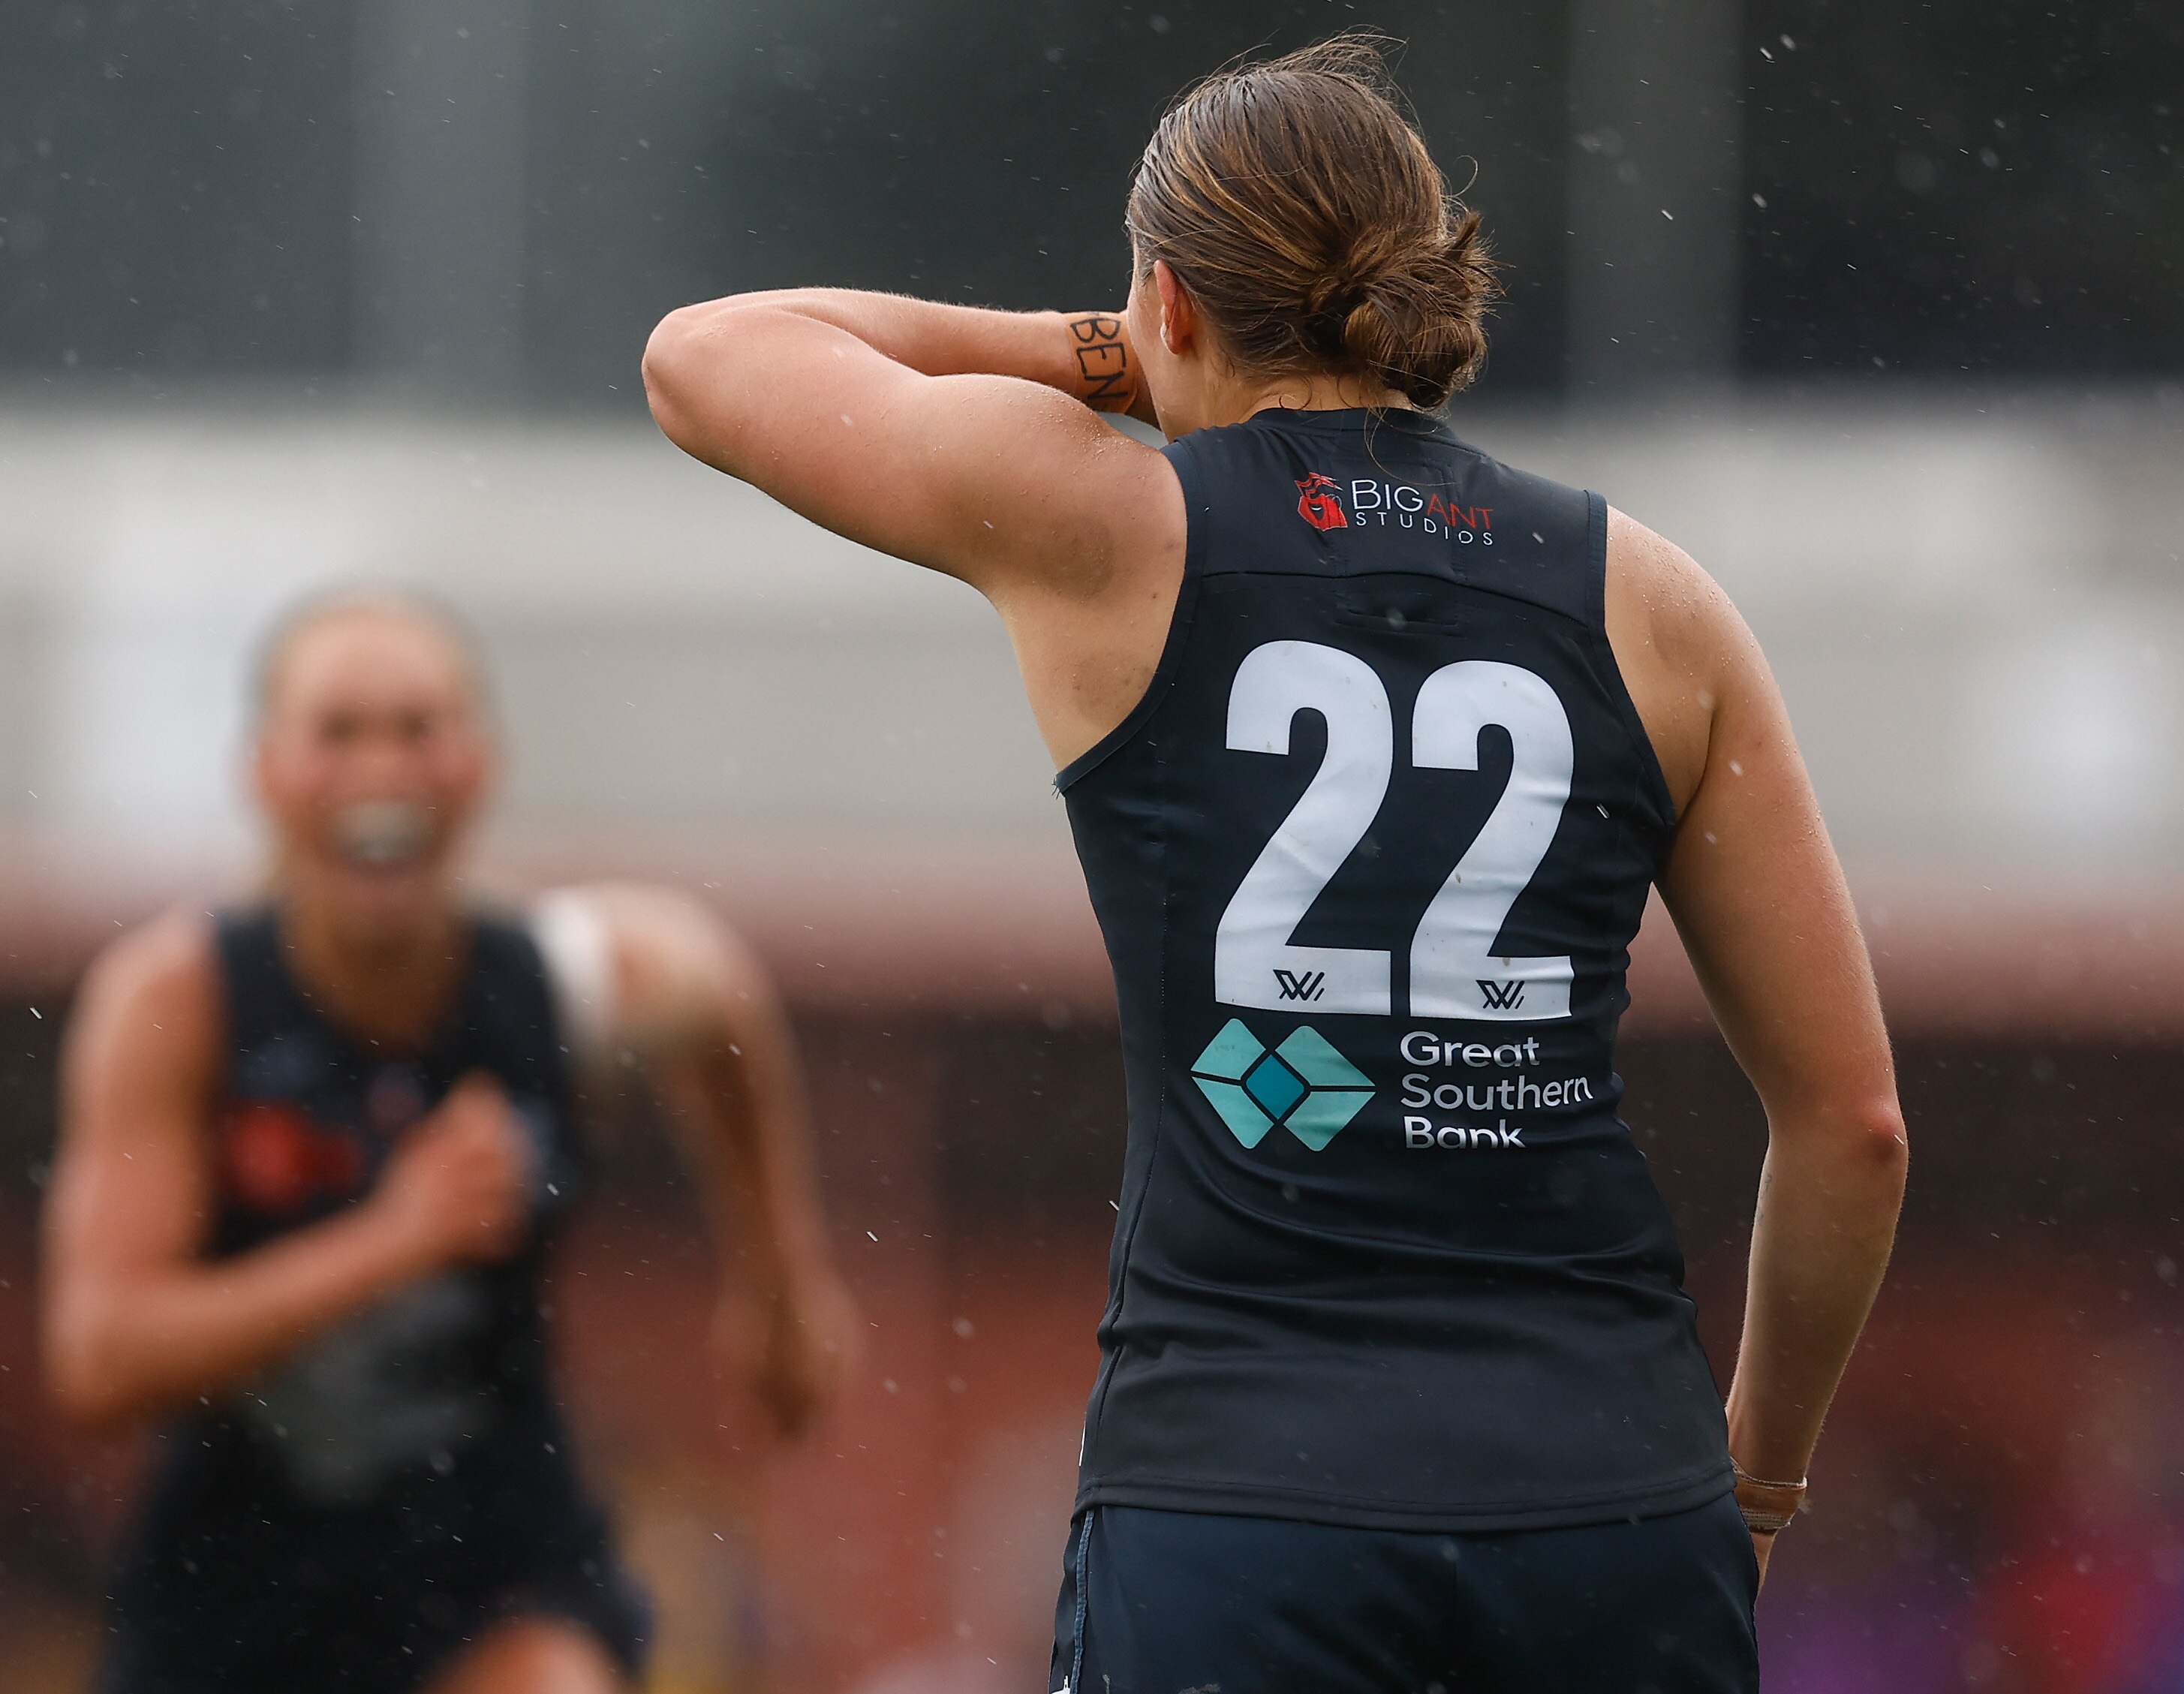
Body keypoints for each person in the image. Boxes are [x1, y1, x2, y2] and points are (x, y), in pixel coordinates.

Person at [643, 36, 1906, 1693]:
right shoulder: (1649, 599)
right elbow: (1854, 1128)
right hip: (1605, 1502)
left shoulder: (1104, 526)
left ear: (1169, 300)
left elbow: (705, 357)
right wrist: (1751, 1479)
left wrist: (1093, 354)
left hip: (1238, 1501)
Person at [42, 591, 856, 1694]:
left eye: (418, 728)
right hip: (233, 1574)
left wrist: (778, 1287)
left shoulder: (550, 982)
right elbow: (99, 1357)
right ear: (266, 772)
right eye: (338, 731)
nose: (383, 767)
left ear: (477, 764)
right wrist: (394, 1239)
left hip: (492, 1555)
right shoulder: (181, 1004)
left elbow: (717, 1000)